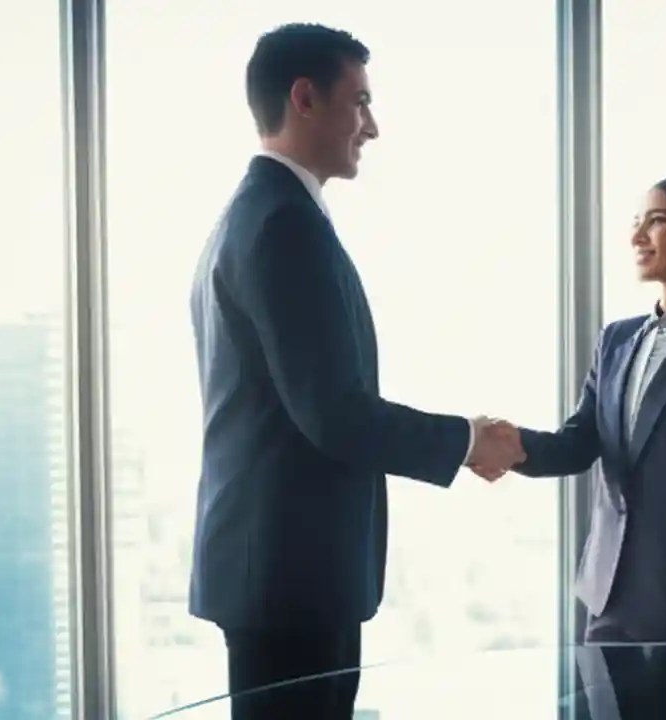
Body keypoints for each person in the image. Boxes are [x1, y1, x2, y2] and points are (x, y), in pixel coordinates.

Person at [188, 23, 524, 719]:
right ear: (305, 98)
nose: (371, 127)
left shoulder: (254, 216)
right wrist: (467, 440)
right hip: (291, 577)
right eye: (361, 101)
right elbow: (335, 413)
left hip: (281, 573)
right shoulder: (282, 224)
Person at [502, 176, 666, 644]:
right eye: (636, 222)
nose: (637, 237)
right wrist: (504, 445)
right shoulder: (616, 339)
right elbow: (577, 445)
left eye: (657, 221)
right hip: (605, 597)